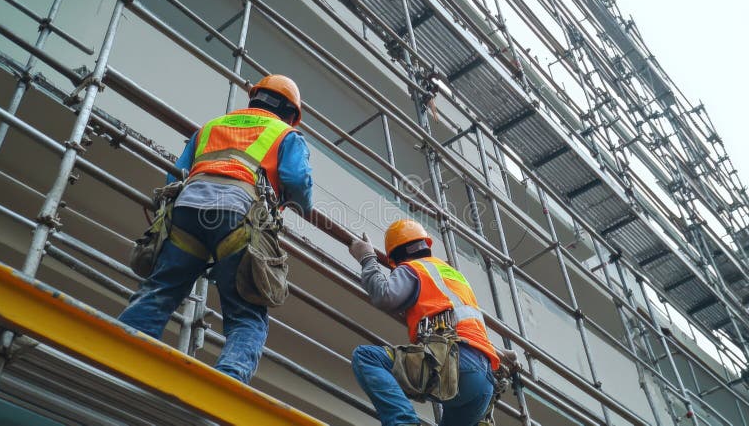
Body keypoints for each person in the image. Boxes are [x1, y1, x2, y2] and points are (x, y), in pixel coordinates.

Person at [119, 75, 313, 384]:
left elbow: (174, 178)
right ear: (291, 114)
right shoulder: (287, 134)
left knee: (161, 291)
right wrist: (290, 201)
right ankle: (227, 383)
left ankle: (122, 353)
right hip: (239, 216)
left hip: (187, 211)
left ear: (254, 100)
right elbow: (298, 182)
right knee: (247, 315)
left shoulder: (210, 128)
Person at [348, 219, 498, 426]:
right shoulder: (454, 277)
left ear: (396, 256)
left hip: (455, 363)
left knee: (367, 357)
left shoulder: (412, 268)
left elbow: (386, 296)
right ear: (425, 245)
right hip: (484, 381)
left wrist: (367, 258)